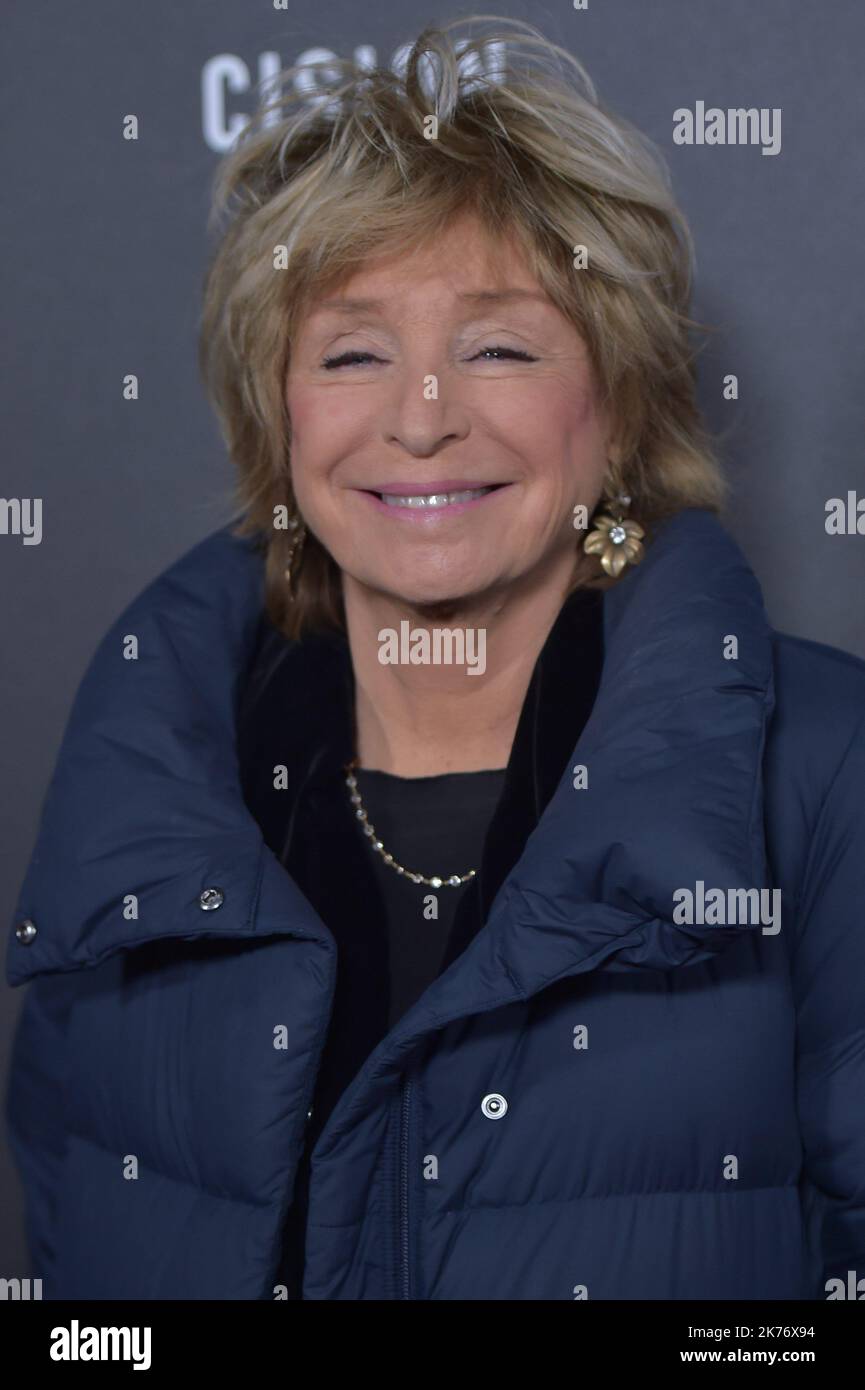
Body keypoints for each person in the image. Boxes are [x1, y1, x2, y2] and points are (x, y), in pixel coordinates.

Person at [6, 17, 865, 1301]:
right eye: (353, 352)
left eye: (499, 347)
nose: (421, 418)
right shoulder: (148, 796)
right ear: (276, 416)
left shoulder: (823, 769)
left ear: (620, 407)